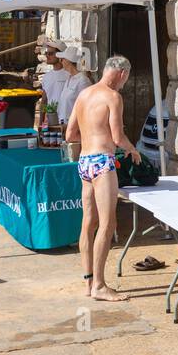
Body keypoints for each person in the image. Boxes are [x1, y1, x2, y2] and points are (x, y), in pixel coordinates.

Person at [65, 55, 140, 301]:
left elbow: (70, 134)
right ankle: (99, 285)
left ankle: (88, 283)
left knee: (88, 223)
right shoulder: (113, 97)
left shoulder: (84, 94)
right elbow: (118, 137)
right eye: (125, 79)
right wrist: (131, 148)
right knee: (108, 224)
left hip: (84, 161)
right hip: (102, 162)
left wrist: (91, 137)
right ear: (122, 74)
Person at [55, 46, 92, 125]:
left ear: (68, 61)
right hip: (63, 125)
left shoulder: (83, 81)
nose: (61, 62)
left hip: (75, 127)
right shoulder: (69, 78)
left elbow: (88, 106)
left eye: (62, 59)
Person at [36, 41, 68, 130]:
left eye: (50, 53)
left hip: (66, 122)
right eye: (46, 53)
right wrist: (41, 123)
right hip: (50, 121)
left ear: (60, 55)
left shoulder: (69, 75)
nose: (47, 56)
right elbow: (45, 100)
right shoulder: (46, 77)